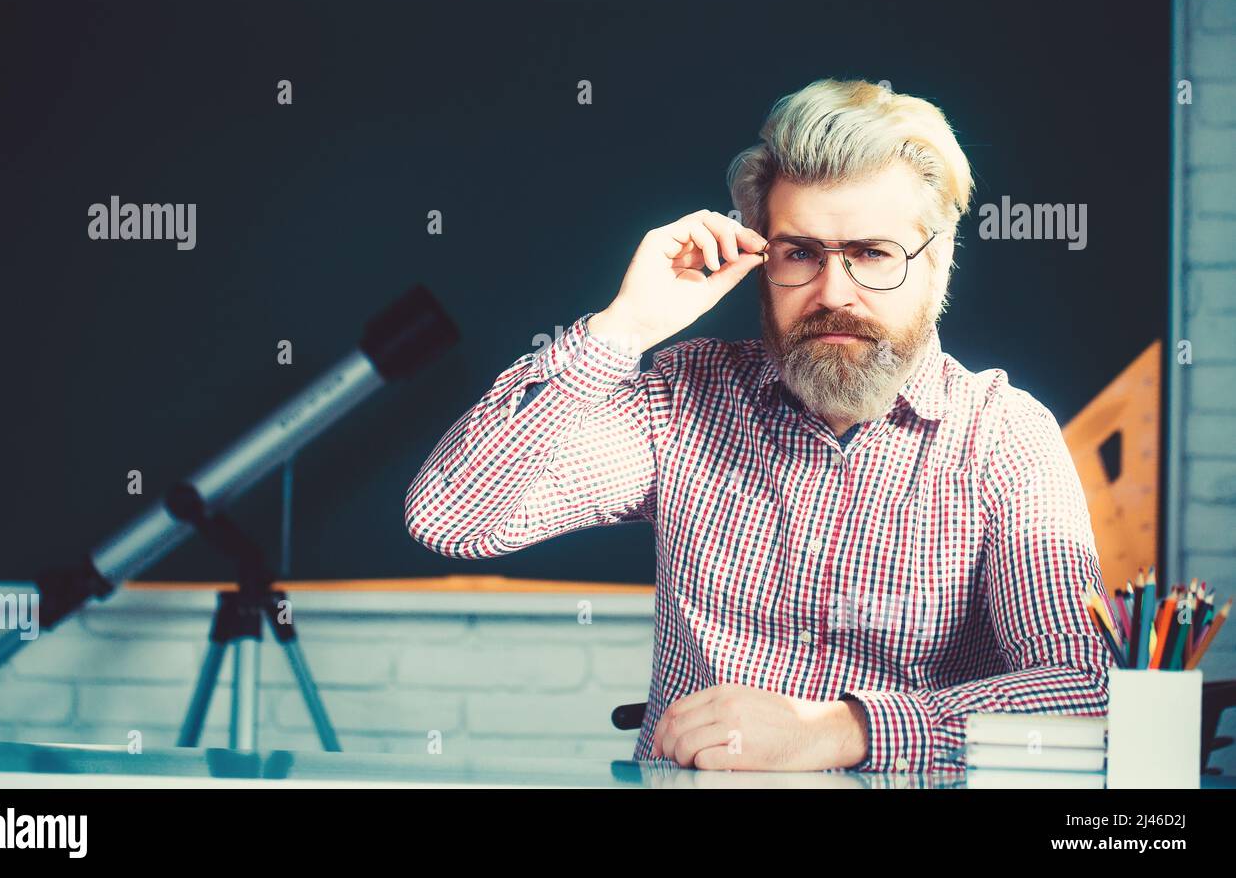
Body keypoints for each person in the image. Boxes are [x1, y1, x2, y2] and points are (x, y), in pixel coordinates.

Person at [404, 78, 1111, 773]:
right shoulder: (685, 397)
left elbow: (1087, 694)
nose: (833, 293)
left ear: (938, 262)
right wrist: (624, 328)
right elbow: (452, 516)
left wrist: (841, 729)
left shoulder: (1004, 435)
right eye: (799, 254)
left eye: (872, 254)